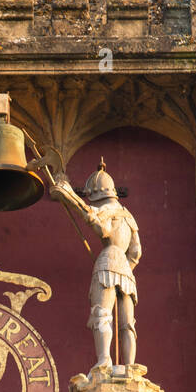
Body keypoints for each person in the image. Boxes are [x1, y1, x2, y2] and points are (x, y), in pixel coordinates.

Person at [50, 159, 141, 370]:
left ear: (95, 193)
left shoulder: (106, 210)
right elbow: (136, 252)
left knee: (102, 313)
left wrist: (71, 199)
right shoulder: (128, 216)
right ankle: (129, 365)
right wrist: (123, 266)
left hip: (108, 261)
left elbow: (103, 230)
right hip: (126, 271)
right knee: (127, 323)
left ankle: (105, 360)